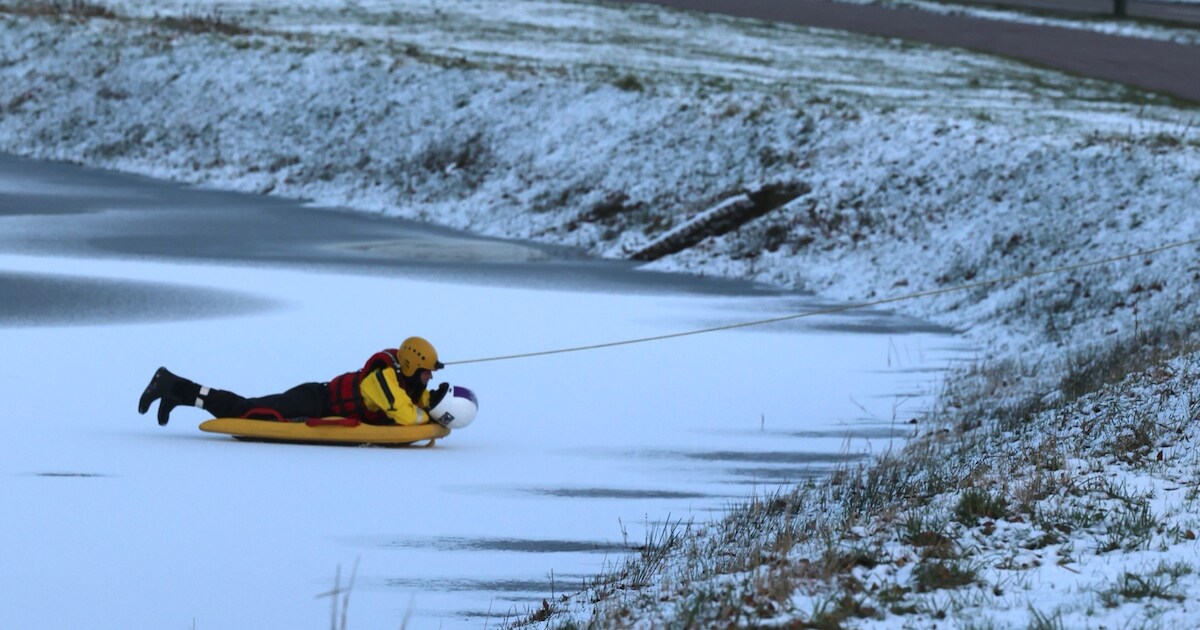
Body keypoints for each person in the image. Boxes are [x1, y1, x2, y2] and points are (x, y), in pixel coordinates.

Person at [138, 336, 477, 429]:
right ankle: (172, 384)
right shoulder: (385, 378)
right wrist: (428, 418)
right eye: (426, 372)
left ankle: (177, 394)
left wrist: (437, 403)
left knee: (248, 406)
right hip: (313, 402)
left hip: (319, 395)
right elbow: (404, 415)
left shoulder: (405, 380)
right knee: (249, 411)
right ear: (409, 365)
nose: (430, 378)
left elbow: (415, 401)